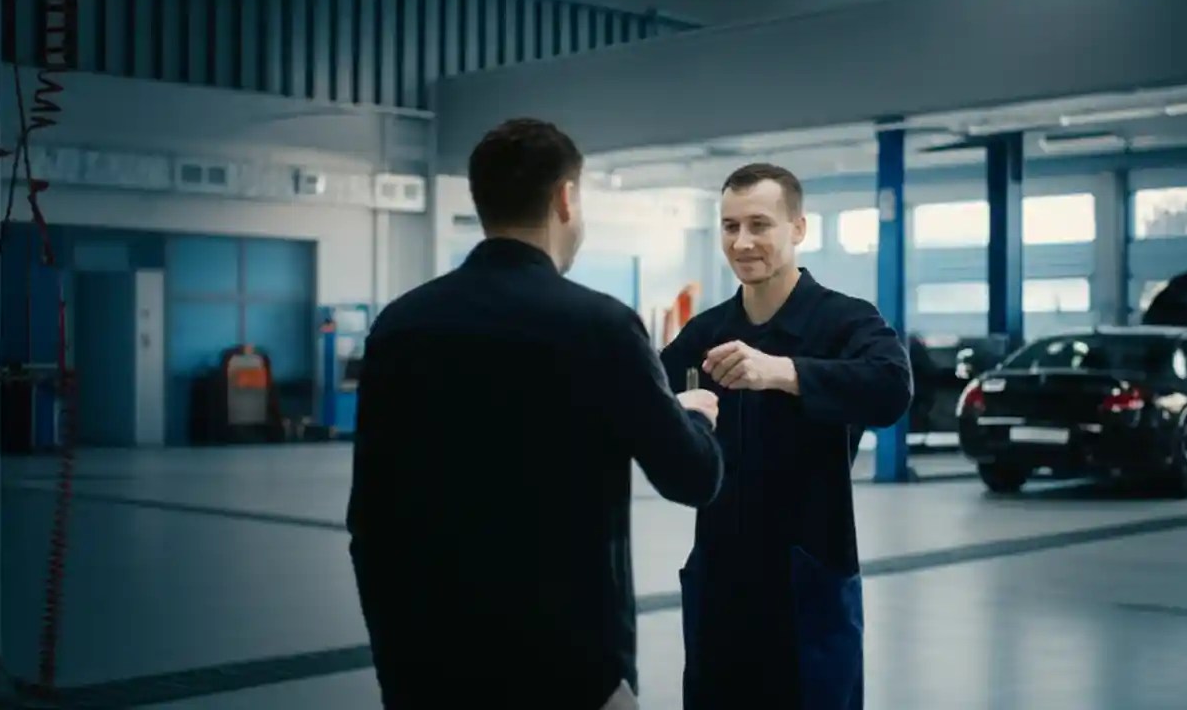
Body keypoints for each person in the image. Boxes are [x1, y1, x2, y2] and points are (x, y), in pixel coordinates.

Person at [346, 118, 726, 709]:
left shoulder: (401, 323)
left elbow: (368, 519)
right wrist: (696, 416)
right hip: (570, 669)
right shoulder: (599, 324)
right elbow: (691, 476)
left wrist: (398, 668)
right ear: (566, 198)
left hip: (429, 665)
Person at [661, 163, 913, 709]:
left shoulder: (844, 322)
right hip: (719, 580)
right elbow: (642, 394)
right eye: (730, 226)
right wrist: (675, 410)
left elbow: (892, 389)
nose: (743, 242)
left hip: (808, 579)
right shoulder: (705, 334)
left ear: (797, 229)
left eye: (760, 225)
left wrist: (781, 372)